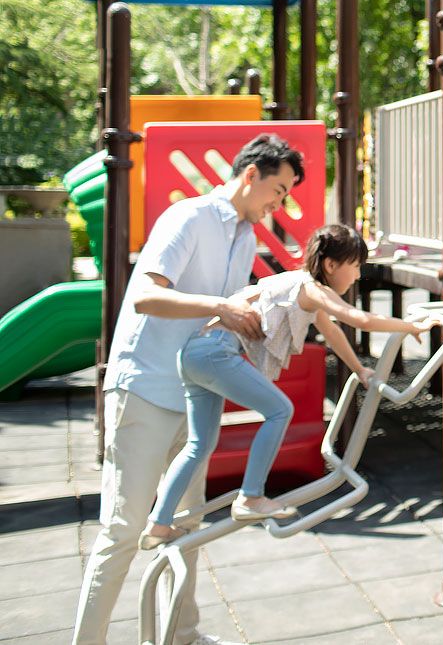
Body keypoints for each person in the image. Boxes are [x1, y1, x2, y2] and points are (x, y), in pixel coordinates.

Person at [74, 134, 304, 645]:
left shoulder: (245, 236)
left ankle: (180, 636)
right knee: (123, 530)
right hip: (145, 387)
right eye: (279, 189)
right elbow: (147, 297)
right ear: (252, 175)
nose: (280, 202)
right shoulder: (189, 218)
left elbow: (215, 319)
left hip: (194, 395)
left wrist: (251, 324)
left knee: (187, 527)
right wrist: (221, 308)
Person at [141, 224, 437, 546]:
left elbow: (334, 332)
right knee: (281, 410)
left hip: (193, 354)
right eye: (355, 267)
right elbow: (358, 319)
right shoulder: (312, 288)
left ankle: (158, 523)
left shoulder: (296, 285)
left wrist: (359, 369)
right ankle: (251, 497)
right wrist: (411, 326)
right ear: (331, 265)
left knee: (199, 446)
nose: (357, 276)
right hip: (215, 354)